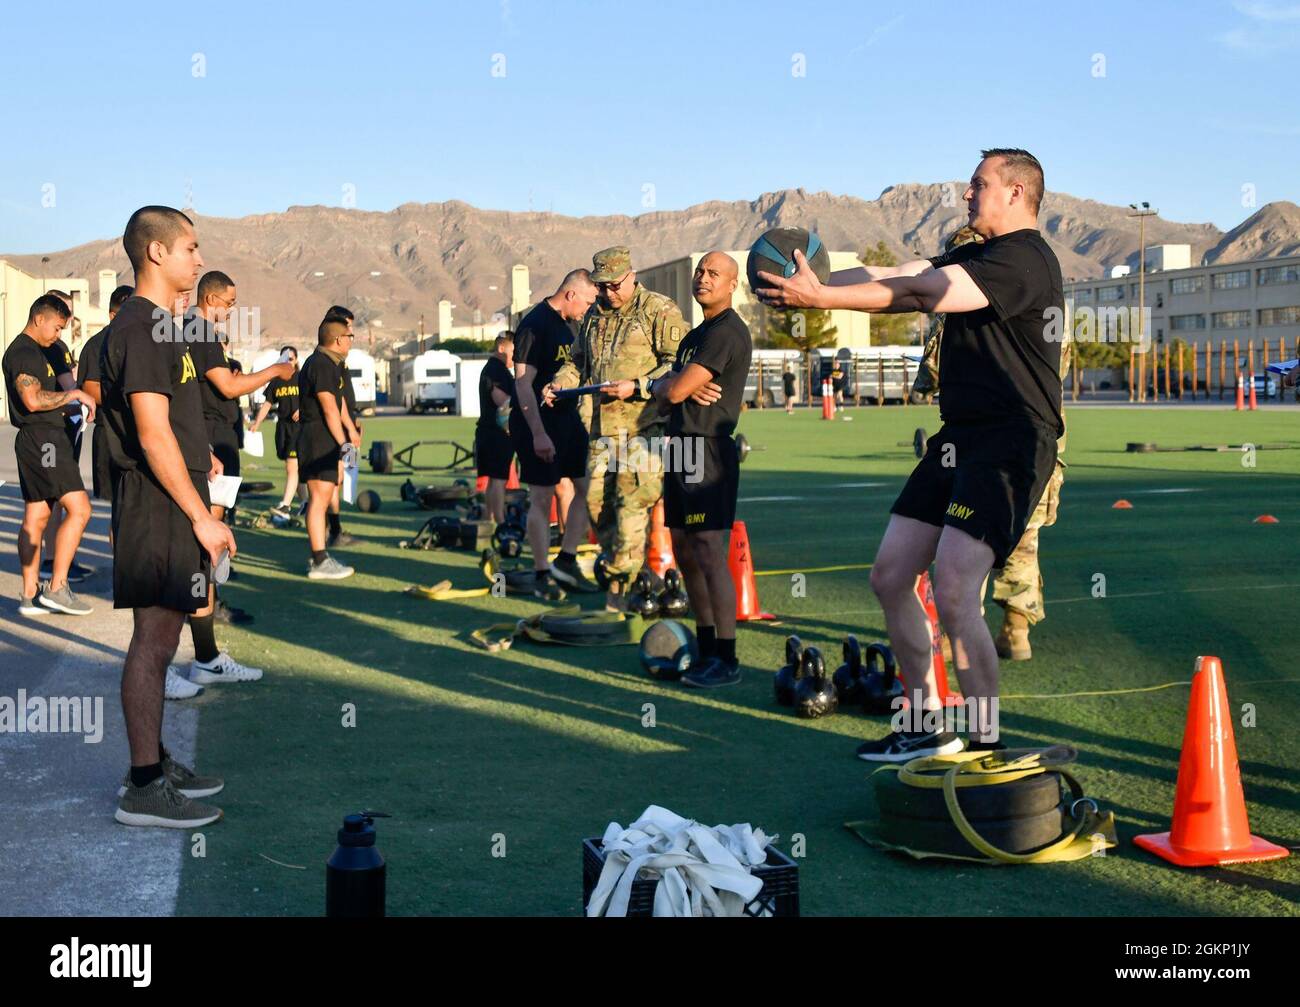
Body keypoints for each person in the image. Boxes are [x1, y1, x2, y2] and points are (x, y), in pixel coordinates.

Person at [757, 149, 1064, 761]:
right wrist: (809, 286)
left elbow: (922, 292)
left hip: (1011, 438)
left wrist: (824, 303)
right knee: (892, 575)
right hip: (960, 437)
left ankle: (986, 747)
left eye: (978, 185)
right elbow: (902, 272)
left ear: (1016, 192)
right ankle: (924, 724)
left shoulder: (1025, 258)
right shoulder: (974, 252)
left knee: (954, 588)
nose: (967, 196)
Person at [100, 206, 230, 827]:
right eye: (191, 248)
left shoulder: (162, 326)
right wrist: (201, 516)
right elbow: (152, 437)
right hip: (157, 505)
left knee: (164, 634)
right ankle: (143, 787)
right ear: (157, 253)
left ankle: (150, 761)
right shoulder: (140, 328)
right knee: (153, 642)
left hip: (172, 498)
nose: (199, 260)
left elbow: (173, 426)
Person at [911, 226, 1070, 662]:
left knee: (966, 543)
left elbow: (929, 378)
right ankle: (1016, 631)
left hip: (989, 445)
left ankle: (956, 635)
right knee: (1024, 545)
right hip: (1040, 443)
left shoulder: (962, 315)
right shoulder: (1049, 307)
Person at [549, 247, 687, 611]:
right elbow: (578, 362)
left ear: (631, 275)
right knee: (598, 508)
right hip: (601, 435)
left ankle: (620, 596)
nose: (608, 293)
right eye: (602, 286)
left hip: (643, 433)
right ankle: (636, 583)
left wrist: (638, 385)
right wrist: (561, 382)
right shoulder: (594, 315)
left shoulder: (658, 310)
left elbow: (679, 366)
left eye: (614, 285)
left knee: (630, 510)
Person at [651, 252, 752, 688]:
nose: (703, 278)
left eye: (714, 273)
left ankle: (726, 659)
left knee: (710, 552)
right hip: (680, 449)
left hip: (708, 450)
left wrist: (672, 386)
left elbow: (673, 391)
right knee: (686, 552)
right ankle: (706, 647)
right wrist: (669, 386)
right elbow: (667, 391)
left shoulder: (727, 332)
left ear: (732, 285)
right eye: (700, 271)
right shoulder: (696, 335)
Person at [184, 270, 293, 626]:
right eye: (229, 303)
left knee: (212, 528)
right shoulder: (198, 330)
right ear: (212, 299)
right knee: (209, 534)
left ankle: (209, 603)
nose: (231, 310)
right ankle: (206, 612)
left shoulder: (187, 329)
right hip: (210, 441)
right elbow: (229, 386)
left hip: (209, 439)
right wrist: (276, 370)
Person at [3, 295, 98, 617]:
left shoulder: (50, 349)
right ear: (39, 319)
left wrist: (78, 402)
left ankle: (29, 595)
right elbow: (31, 400)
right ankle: (57, 587)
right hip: (42, 440)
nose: (59, 334)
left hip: (53, 436)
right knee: (80, 508)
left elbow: (66, 385)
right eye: (57, 327)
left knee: (38, 516)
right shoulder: (22, 352)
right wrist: (72, 395)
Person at [513, 272, 599, 598]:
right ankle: (540, 573)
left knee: (586, 488)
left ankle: (565, 560)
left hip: (568, 420)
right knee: (541, 497)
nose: (588, 309)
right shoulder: (534, 325)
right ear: (571, 294)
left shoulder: (573, 325)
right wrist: (538, 434)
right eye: (587, 302)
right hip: (537, 424)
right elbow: (522, 383)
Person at [38, 290, 96, 585]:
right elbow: (69, 385)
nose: (67, 318)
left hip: (66, 426)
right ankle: (52, 561)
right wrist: (82, 395)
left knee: (58, 499)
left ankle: (60, 558)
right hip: (54, 429)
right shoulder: (50, 345)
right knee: (56, 498)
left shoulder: (58, 344)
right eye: (62, 313)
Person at [298, 318, 355, 579]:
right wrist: (344, 442)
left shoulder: (330, 364)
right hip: (317, 439)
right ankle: (319, 560)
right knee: (319, 499)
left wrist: (350, 432)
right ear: (338, 339)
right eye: (349, 336)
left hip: (324, 438)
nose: (351, 341)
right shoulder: (320, 364)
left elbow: (338, 402)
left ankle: (320, 556)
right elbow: (329, 408)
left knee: (324, 495)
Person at [79, 284, 134, 510]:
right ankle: (118, 548)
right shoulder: (96, 345)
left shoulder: (141, 341)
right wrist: (130, 396)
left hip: (141, 431)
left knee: (139, 507)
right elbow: (90, 389)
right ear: (113, 315)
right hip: (111, 433)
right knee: (119, 510)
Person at [321, 305, 362, 548]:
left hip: (348, 425)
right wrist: (347, 430)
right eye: (348, 326)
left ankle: (334, 528)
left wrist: (354, 424)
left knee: (344, 476)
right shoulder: (328, 361)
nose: (350, 332)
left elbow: (344, 398)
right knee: (334, 478)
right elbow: (335, 402)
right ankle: (333, 530)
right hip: (337, 429)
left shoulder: (340, 361)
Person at [250, 345, 304, 519]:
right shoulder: (276, 381)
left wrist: (303, 409)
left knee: (292, 466)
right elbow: (267, 404)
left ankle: (285, 505)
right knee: (292, 469)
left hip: (299, 428)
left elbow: (315, 398)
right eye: (284, 359)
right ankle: (305, 502)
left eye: (290, 358)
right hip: (282, 427)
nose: (287, 362)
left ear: (296, 361)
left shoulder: (302, 378)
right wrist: (257, 422)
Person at [475, 331, 515, 526]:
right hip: (497, 433)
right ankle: (500, 521)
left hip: (488, 431)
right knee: (499, 480)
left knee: (493, 479)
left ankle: (488, 518)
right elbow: (503, 403)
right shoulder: (496, 370)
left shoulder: (494, 369)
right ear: (501, 348)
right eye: (513, 350)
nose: (515, 356)